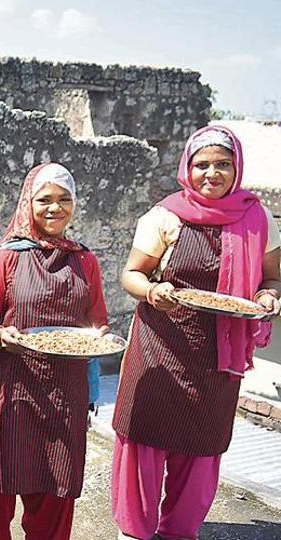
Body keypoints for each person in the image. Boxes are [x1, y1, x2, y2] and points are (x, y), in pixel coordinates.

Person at [112, 125, 281, 540]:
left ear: (237, 168)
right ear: (187, 168)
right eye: (201, 164)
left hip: (217, 358)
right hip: (159, 348)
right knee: (145, 437)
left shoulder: (258, 218)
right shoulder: (164, 215)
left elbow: (273, 279)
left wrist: (269, 297)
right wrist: (153, 290)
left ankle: (180, 530)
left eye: (222, 164)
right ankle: (135, 531)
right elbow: (131, 274)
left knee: (202, 445)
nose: (212, 173)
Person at [0, 163, 109, 540]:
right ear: (29, 202)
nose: (54, 209)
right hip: (12, 391)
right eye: (44, 199)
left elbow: (97, 320)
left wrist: (100, 337)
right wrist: (1, 335)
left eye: (64, 200)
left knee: (56, 491)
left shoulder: (85, 261)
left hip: (66, 393)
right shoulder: (7, 257)